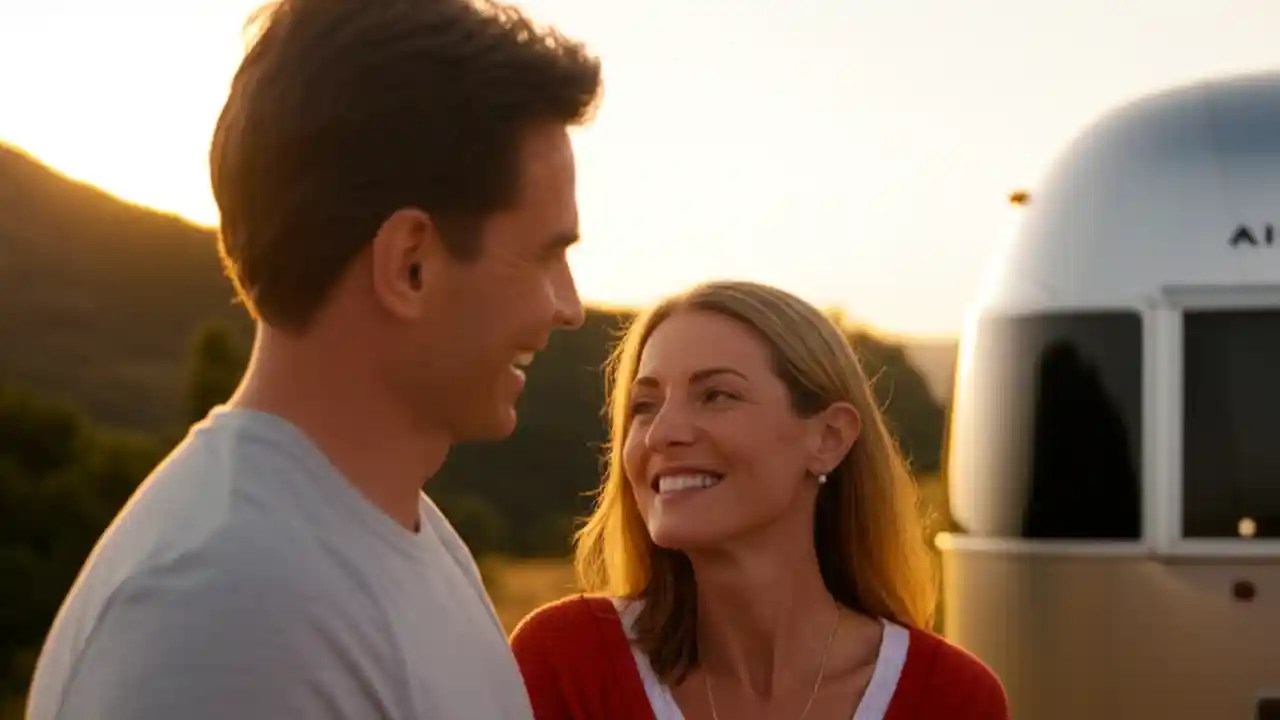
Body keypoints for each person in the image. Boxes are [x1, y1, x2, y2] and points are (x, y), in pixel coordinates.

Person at [26, 0, 601, 717]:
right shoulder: (220, 619)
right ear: (411, 265)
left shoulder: (401, 537)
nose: (568, 305)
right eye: (547, 254)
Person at [510, 280, 1009, 719]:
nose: (662, 433)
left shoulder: (950, 698)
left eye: (717, 395)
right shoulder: (567, 663)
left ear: (829, 438)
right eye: (645, 405)